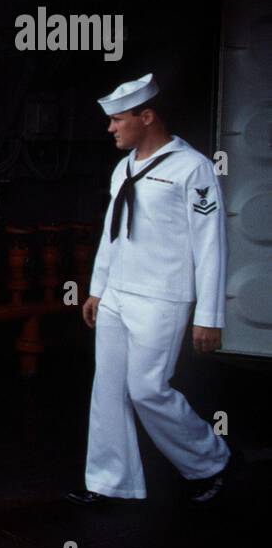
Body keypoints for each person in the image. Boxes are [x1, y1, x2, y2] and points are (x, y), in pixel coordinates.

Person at [68, 74, 231, 507]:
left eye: (118, 120)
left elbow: (212, 244)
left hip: (162, 296)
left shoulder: (192, 167)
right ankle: (109, 481)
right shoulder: (124, 167)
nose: (111, 128)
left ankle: (210, 462)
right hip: (119, 292)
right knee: (108, 388)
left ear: (147, 116)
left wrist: (209, 316)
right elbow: (112, 233)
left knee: (147, 390)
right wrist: (98, 289)